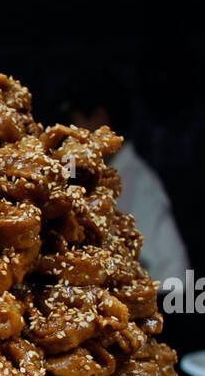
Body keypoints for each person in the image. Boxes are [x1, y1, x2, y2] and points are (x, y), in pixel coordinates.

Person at [62, 70, 189, 287]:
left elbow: (173, 275)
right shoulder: (90, 175)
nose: (71, 136)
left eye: (76, 123)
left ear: (101, 119)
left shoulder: (138, 181)